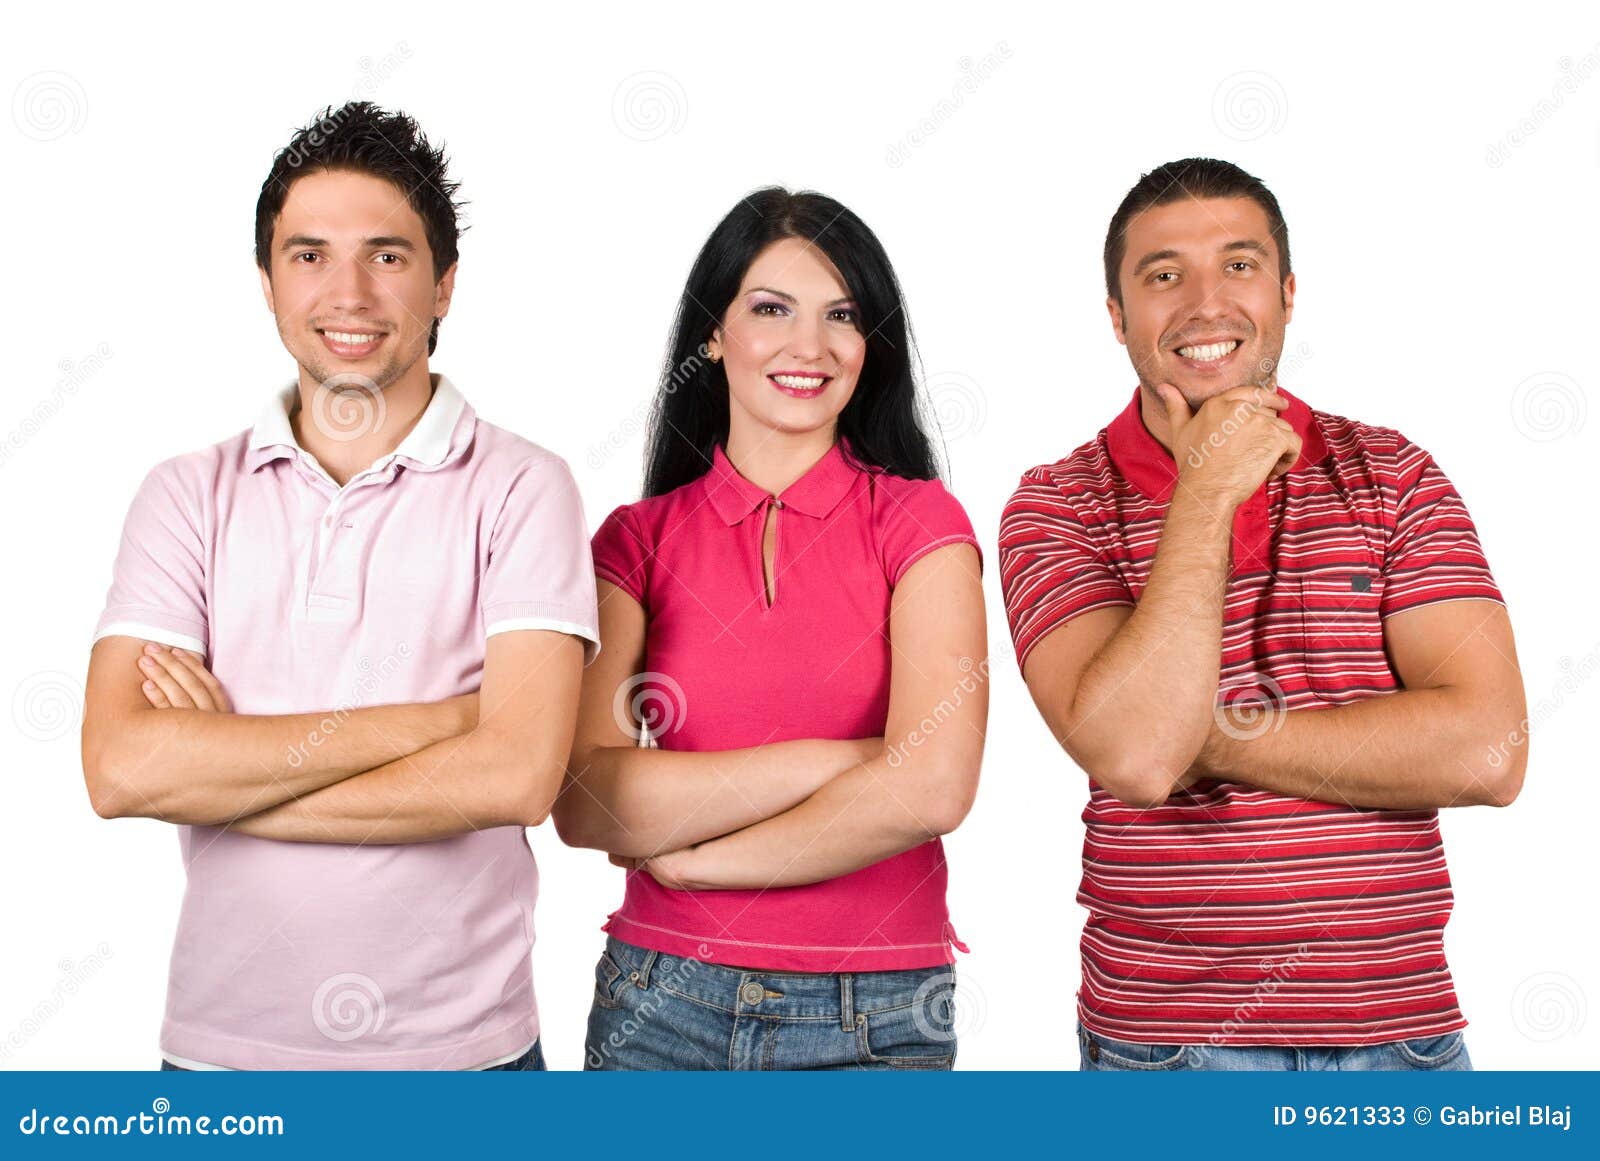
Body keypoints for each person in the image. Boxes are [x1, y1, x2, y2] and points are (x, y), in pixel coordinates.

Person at [81, 102, 598, 1071]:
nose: (347, 292)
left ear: (445, 285)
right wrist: (446, 723)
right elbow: (119, 770)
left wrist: (220, 776)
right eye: (309, 254)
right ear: (268, 283)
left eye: (388, 256)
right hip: (218, 1066)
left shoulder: (526, 487)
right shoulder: (186, 494)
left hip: (465, 1066)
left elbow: (520, 776)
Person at [998, 157, 1528, 1071]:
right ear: (1118, 316)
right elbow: (1132, 757)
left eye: (1238, 266)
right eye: (1163, 275)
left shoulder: (1394, 475)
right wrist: (1204, 491)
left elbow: (1490, 752)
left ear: (1286, 294)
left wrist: (1199, 733)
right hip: (1167, 1050)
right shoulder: (1058, 504)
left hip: (1400, 1041)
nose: (1206, 303)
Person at [554, 188, 987, 1070]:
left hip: (876, 1011)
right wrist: (855, 760)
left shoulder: (920, 523)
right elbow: (587, 799)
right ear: (713, 335)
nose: (810, 346)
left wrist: (695, 863)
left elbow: (934, 791)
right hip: (660, 1002)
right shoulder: (636, 541)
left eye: (842, 315)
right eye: (770, 309)